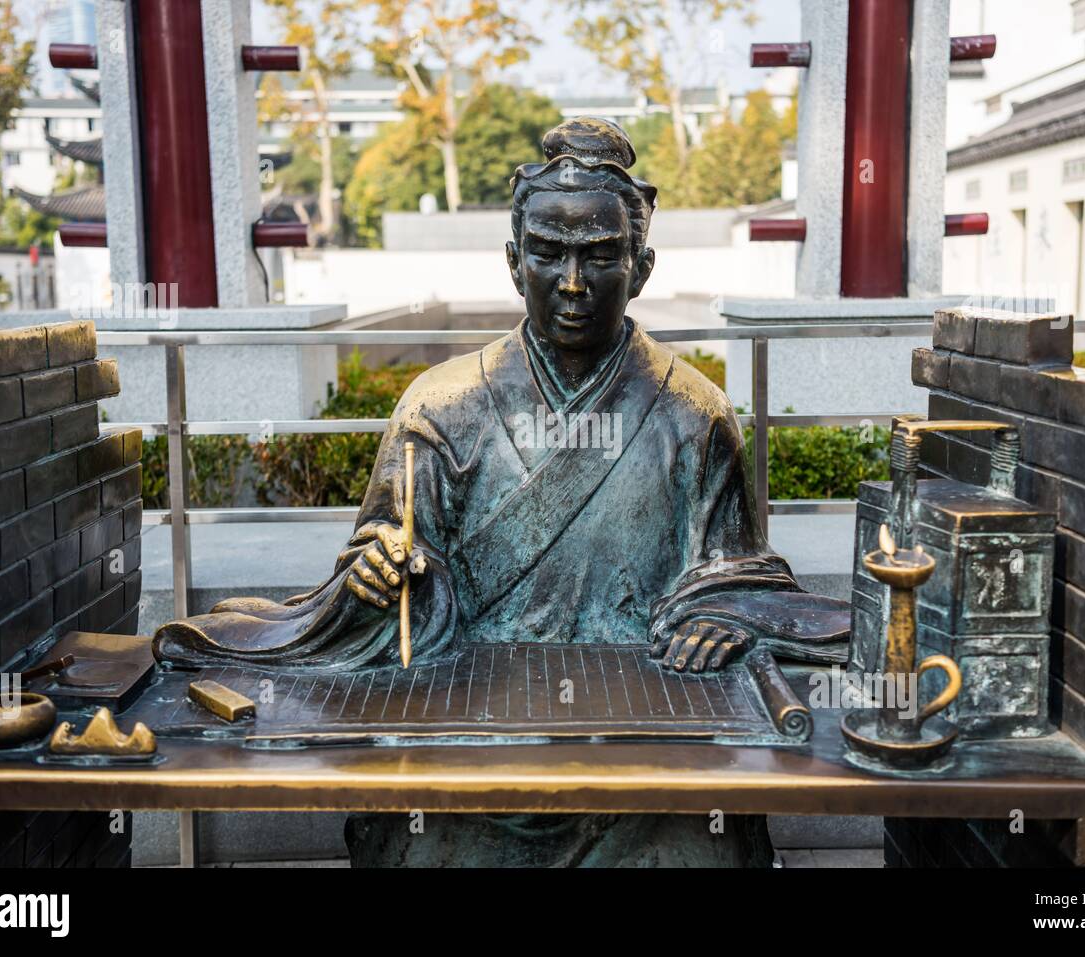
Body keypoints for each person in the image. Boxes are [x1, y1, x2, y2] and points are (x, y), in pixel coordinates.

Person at [154, 117, 851, 866]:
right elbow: (386, 575)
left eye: (600, 256)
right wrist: (375, 583)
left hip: (645, 738)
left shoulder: (694, 414)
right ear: (515, 263)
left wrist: (724, 614)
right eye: (549, 254)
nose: (573, 283)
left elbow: (736, 576)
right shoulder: (440, 407)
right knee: (425, 843)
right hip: (467, 730)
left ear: (641, 267)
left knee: (699, 847)